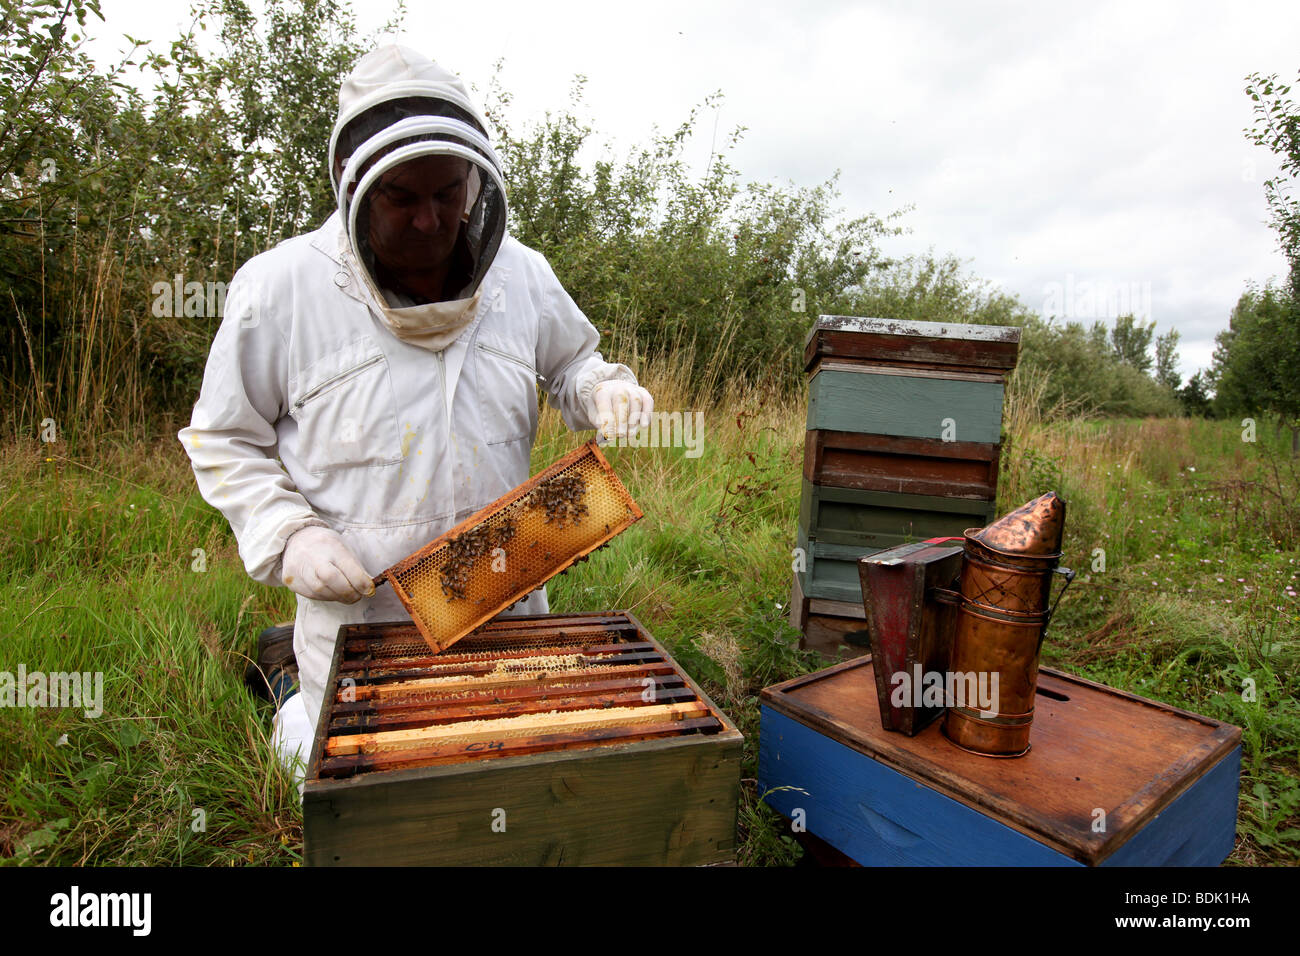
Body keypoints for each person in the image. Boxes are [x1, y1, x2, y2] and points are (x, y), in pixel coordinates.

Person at [178, 44, 653, 787]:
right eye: (403, 197)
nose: (431, 220)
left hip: (505, 589)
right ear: (352, 182)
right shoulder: (279, 290)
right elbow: (224, 436)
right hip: (361, 617)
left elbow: (570, 361)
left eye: (448, 192)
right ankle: (286, 694)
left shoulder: (520, 274)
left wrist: (600, 389)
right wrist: (290, 533)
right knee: (354, 783)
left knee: (509, 772)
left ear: (474, 179)